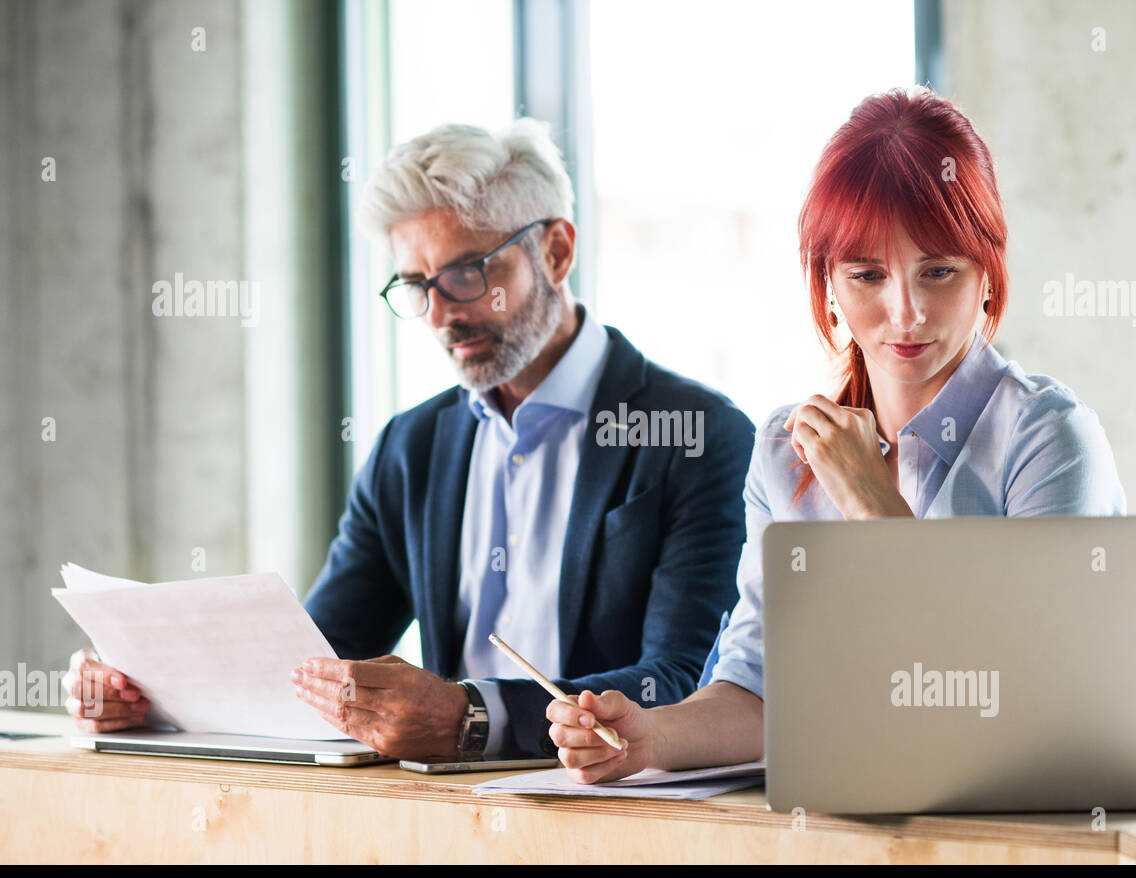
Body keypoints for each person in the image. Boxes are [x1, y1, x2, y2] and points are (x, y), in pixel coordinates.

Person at [63, 118, 755, 760]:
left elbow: (679, 682)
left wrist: (470, 716)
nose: (443, 315)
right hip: (448, 821)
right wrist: (147, 695)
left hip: (629, 819)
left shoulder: (699, 436)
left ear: (557, 249)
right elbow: (314, 662)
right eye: (417, 285)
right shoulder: (412, 447)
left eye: (467, 274)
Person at [545, 87, 1128, 783]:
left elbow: (1029, 686)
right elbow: (761, 692)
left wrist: (871, 504)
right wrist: (649, 736)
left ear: (988, 276)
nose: (904, 311)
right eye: (867, 274)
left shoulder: (1048, 440)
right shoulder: (784, 451)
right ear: (828, 283)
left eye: (938, 271)